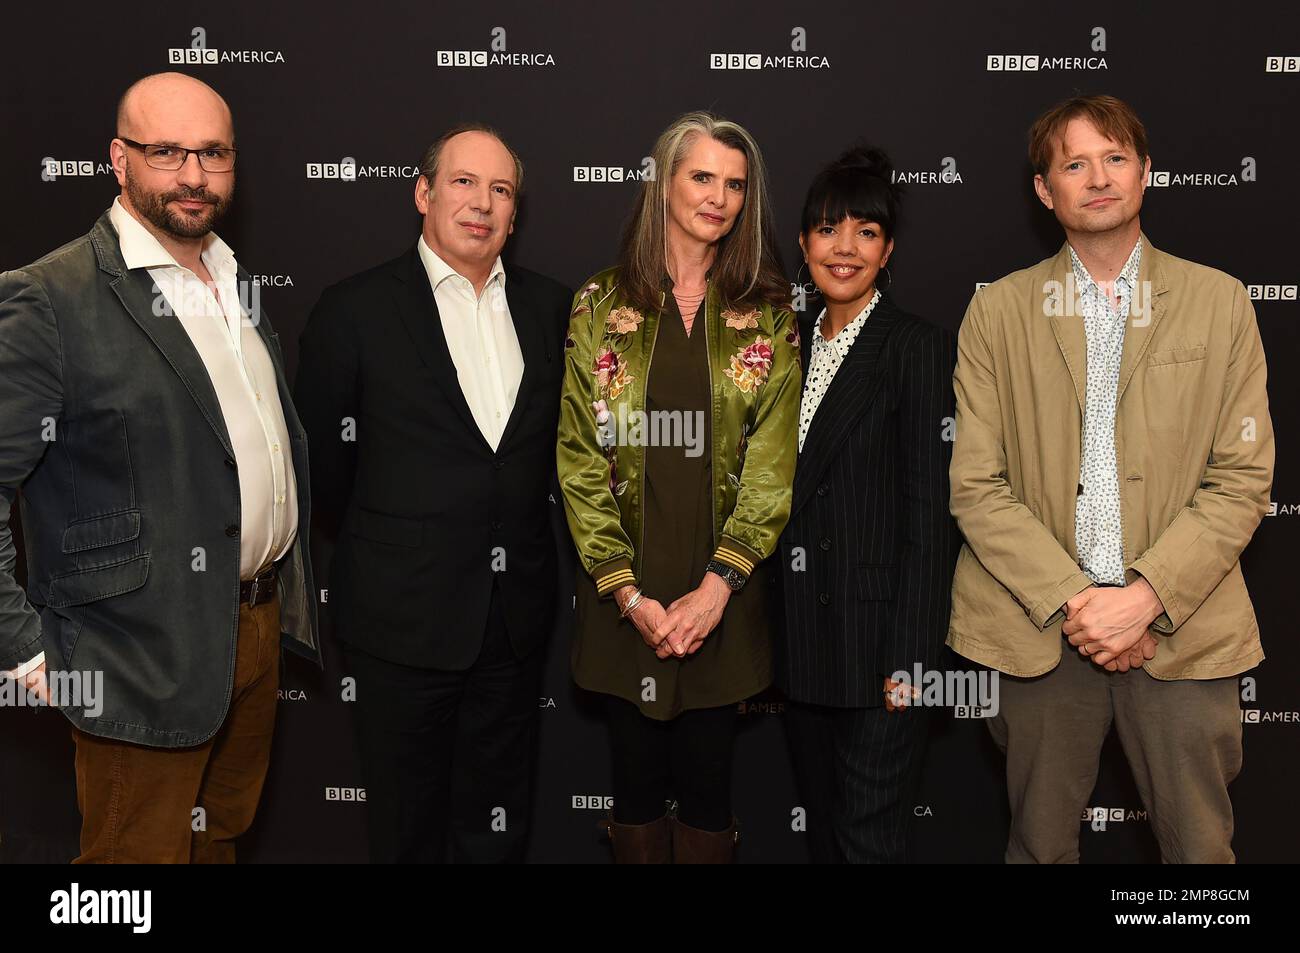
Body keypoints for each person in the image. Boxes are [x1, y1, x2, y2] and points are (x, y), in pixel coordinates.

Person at [0, 72, 319, 863]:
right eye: (166, 151)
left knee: (219, 845)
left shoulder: (233, 278)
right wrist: (24, 649)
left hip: (253, 628)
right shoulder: (52, 298)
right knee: (131, 871)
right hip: (132, 654)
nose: (193, 174)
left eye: (212, 153)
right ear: (119, 158)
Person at [948, 94, 1274, 863]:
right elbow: (977, 484)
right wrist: (1081, 601)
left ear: (1146, 173)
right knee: (1038, 845)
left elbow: (1242, 475)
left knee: (1200, 851)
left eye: (1116, 157)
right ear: (1044, 190)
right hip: (1041, 632)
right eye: (1074, 163)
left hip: (1183, 628)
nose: (1098, 178)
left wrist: (1144, 597)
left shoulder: (1218, 301)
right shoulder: (997, 312)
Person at [295, 124, 571, 863]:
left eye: (501, 189)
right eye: (462, 182)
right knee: (405, 833)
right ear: (423, 193)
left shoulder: (555, 310)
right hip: (400, 624)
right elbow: (326, 471)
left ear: (515, 214)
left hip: (513, 627)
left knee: (496, 832)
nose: (481, 203)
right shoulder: (352, 310)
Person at [557, 111, 799, 863]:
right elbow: (577, 453)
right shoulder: (598, 303)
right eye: (702, 177)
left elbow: (772, 461)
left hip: (721, 598)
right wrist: (628, 593)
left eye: (734, 184)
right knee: (631, 792)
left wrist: (719, 587)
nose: (718, 197)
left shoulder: (768, 310)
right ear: (664, 182)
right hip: (625, 599)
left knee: (708, 792)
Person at [776, 146, 959, 863]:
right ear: (803, 242)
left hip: (883, 648)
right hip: (801, 644)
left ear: (888, 251)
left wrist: (912, 660)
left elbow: (929, 517)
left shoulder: (916, 347)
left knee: (867, 843)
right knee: (824, 833)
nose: (844, 248)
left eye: (866, 232)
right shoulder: (784, 347)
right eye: (828, 229)